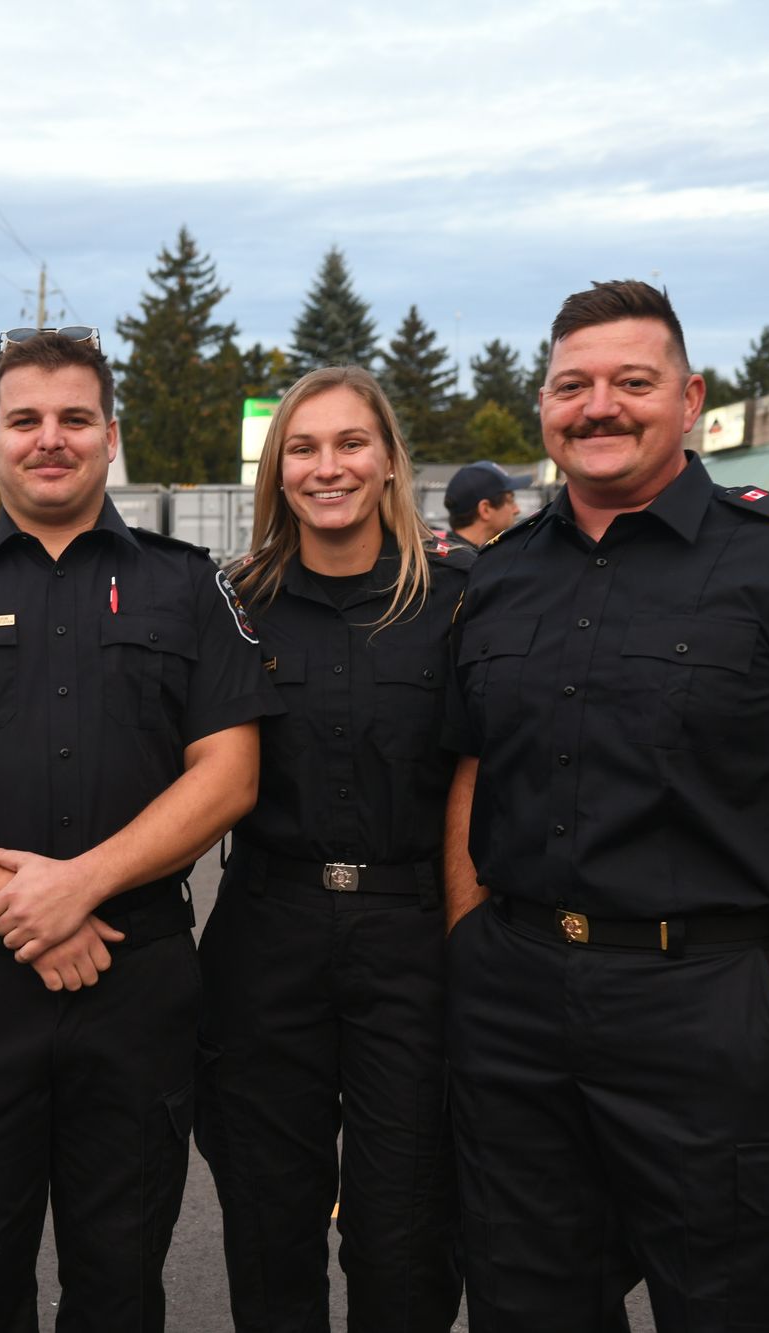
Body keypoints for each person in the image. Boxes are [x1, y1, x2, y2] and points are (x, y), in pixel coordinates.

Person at [442, 280, 769, 1332]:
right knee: (524, 1306)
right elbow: (474, 769)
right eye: (571, 385)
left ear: (689, 399)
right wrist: (466, 943)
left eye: (632, 381)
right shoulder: (500, 575)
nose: (598, 406)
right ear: (544, 404)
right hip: (512, 1012)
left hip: (707, 1011)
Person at [0, 326, 271, 1330]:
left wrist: (80, 884)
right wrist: (20, 902)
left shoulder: (187, 584)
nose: (50, 438)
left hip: (137, 984)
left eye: (75, 418)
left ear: (110, 436)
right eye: (24, 419)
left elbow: (229, 772)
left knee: (120, 1287)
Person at [197, 366, 469, 1333]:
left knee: (405, 1236)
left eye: (351, 443)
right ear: (276, 471)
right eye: (303, 448)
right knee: (270, 1227)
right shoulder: (233, 606)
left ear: (390, 459)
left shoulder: (460, 600)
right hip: (267, 934)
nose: (328, 467)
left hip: (414, 938)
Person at [439, 458, 531, 549]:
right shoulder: (471, 558)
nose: (517, 510)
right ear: (485, 510)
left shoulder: (446, 552)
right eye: (510, 501)